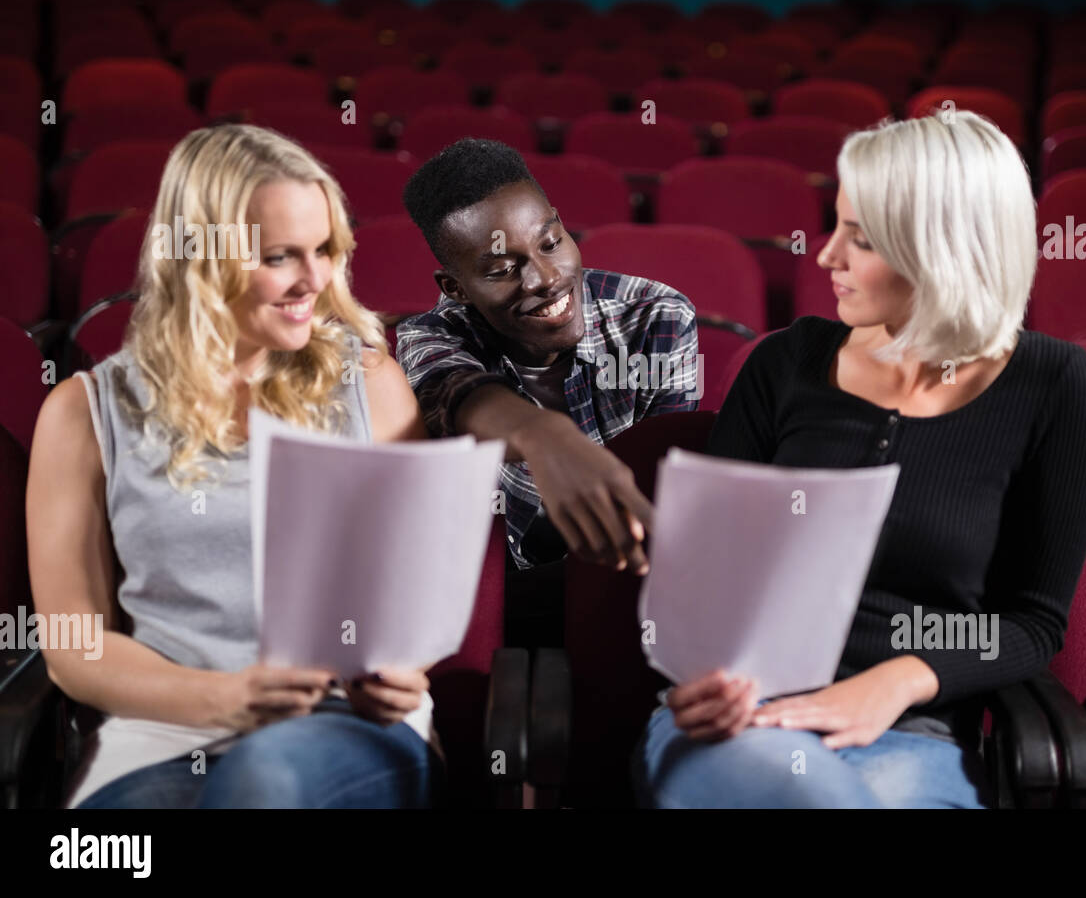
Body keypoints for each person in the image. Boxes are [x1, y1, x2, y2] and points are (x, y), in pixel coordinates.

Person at [633, 111, 1086, 808]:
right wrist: (709, 675)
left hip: (913, 733)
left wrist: (899, 681)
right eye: (835, 229)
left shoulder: (1054, 383)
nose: (826, 258)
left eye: (859, 239)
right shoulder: (785, 364)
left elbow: (1034, 621)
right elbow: (705, 580)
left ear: (941, 248)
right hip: (743, 716)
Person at [28, 124, 440, 808]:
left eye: (325, 251)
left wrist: (402, 663)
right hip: (162, 732)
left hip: (342, 720)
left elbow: (420, 583)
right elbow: (75, 647)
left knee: (264, 788)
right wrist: (227, 697)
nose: (316, 280)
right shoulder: (83, 412)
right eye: (282, 257)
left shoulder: (367, 382)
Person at [398, 139, 699, 639]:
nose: (545, 279)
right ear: (455, 289)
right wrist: (544, 438)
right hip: (510, 609)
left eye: (550, 242)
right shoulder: (431, 335)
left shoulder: (654, 316)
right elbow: (456, 391)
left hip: (639, 594)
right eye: (500, 270)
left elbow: (661, 491)